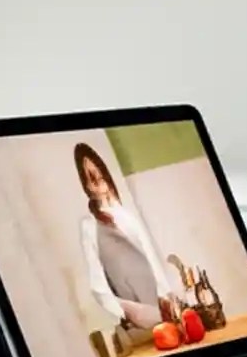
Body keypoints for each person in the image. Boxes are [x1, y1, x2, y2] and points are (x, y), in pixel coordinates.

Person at [73, 142, 178, 332]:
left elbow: (151, 258)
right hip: (135, 315)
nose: (97, 179)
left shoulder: (127, 215)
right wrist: (123, 311)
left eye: (98, 172)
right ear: (86, 186)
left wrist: (166, 295)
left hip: (159, 306)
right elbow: (97, 282)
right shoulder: (89, 226)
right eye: (90, 176)